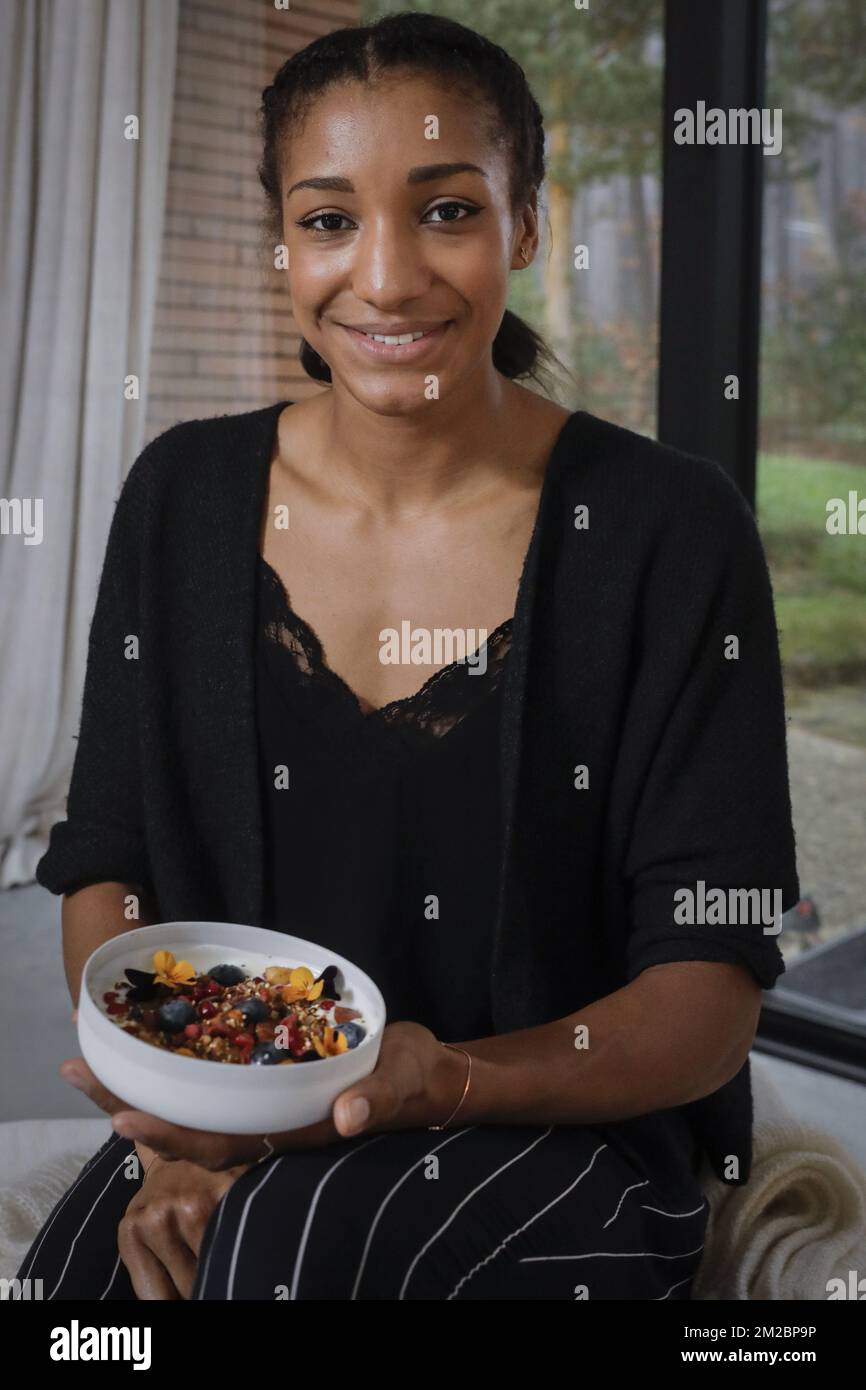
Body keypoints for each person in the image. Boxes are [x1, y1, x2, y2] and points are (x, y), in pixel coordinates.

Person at [19, 13, 798, 1301]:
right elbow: (109, 863)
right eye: (329, 220)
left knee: (288, 1255)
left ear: (526, 226)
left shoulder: (668, 529)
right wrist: (182, 1121)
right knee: (89, 1305)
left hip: (562, 1129)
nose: (384, 278)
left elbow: (708, 993)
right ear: (283, 239)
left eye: (445, 212)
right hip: (251, 1101)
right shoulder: (181, 497)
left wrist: (440, 1079)